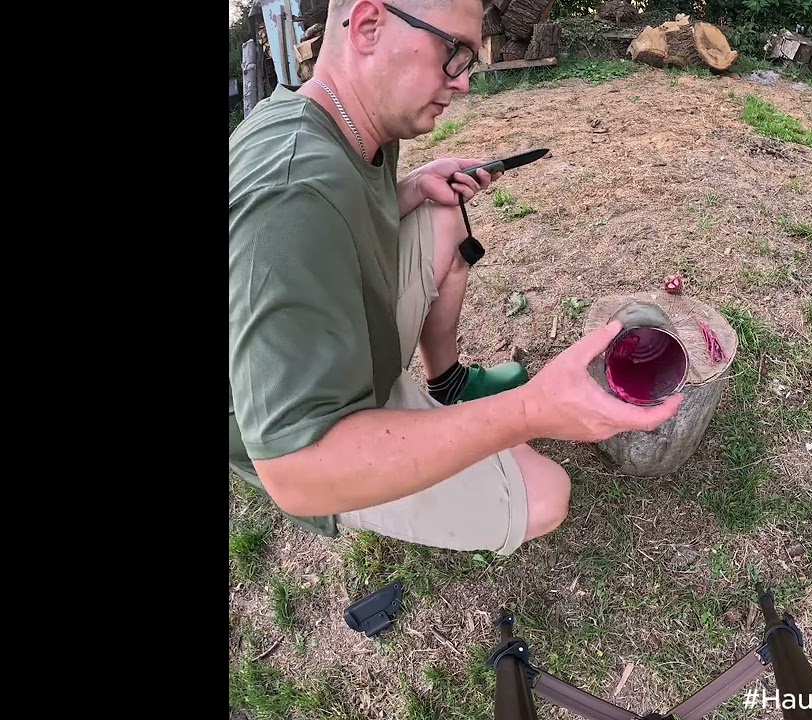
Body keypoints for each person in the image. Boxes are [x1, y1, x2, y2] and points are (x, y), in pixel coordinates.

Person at [229, 0, 682, 556]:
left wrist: (415, 187)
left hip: (342, 342)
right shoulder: (292, 190)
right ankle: (395, 430)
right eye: (455, 54)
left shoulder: (350, 121)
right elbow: (294, 472)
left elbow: (342, 225)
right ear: (369, 25)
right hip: (316, 441)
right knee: (546, 494)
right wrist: (530, 411)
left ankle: (445, 386)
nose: (465, 82)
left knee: (441, 212)